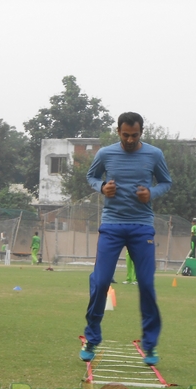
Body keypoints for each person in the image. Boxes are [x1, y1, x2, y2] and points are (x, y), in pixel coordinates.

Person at [80, 112, 172, 366]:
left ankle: (150, 345)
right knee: (100, 281)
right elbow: (91, 176)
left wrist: (151, 193)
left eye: (135, 135)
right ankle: (92, 337)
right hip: (111, 225)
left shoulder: (154, 154)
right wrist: (102, 188)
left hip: (142, 227)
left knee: (146, 284)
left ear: (141, 132)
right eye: (125, 135)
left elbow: (166, 182)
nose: (130, 140)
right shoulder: (105, 154)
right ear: (118, 131)